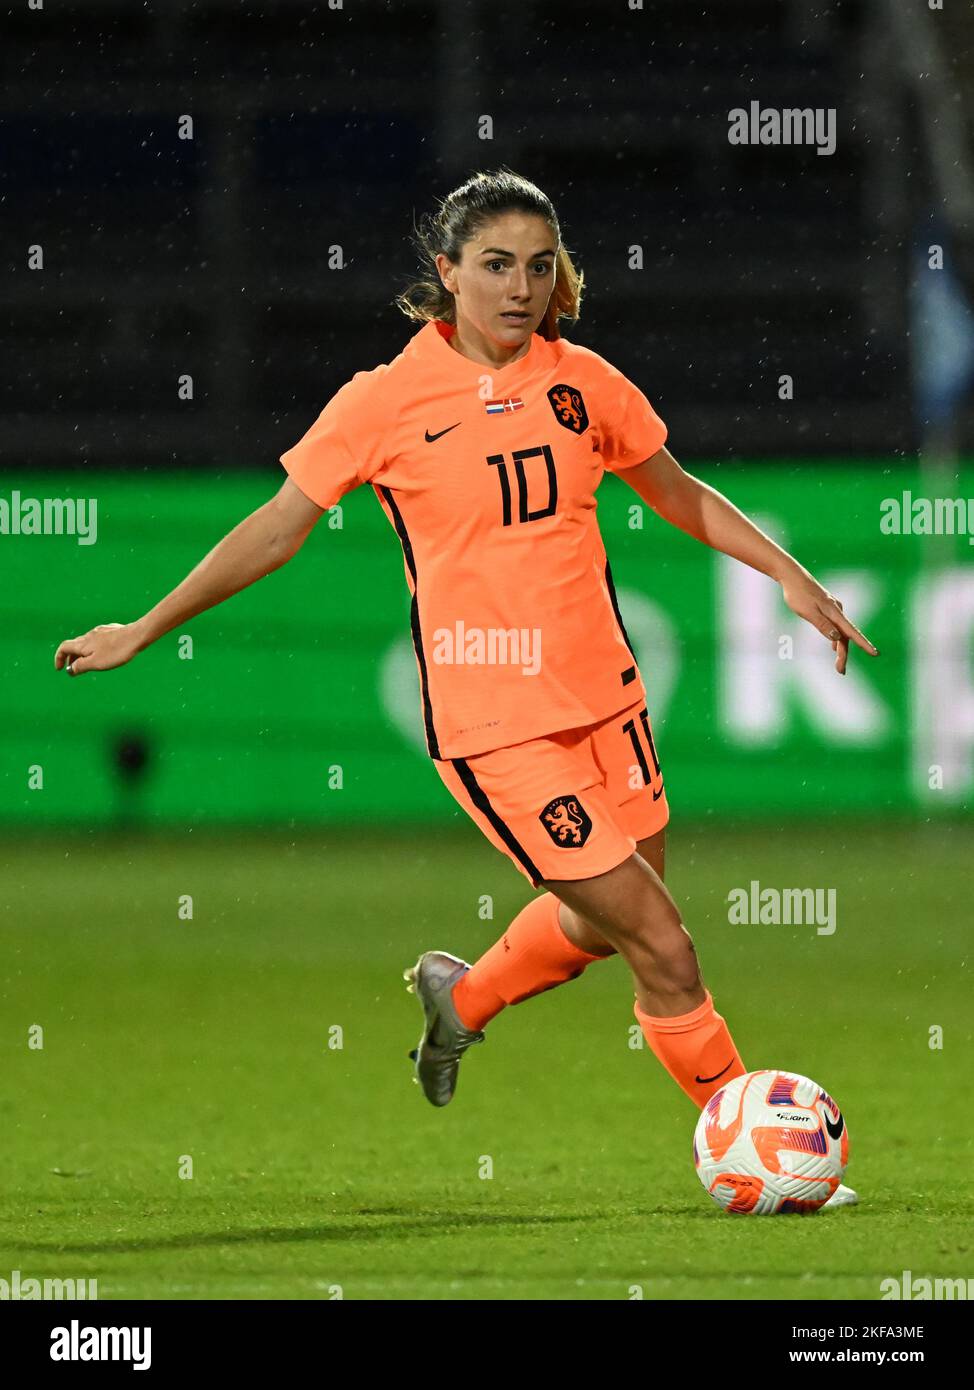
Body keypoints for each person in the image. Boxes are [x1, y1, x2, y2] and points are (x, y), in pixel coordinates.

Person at [55, 168, 876, 1210]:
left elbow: (675, 491)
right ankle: (759, 1155)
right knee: (662, 941)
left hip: (606, 702)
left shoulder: (583, 382)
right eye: (493, 265)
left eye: (538, 265)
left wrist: (788, 576)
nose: (518, 287)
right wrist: (146, 626)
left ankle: (464, 994)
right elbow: (275, 529)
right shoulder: (383, 401)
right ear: (445, 275)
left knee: (596, 929)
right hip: (494, 728)